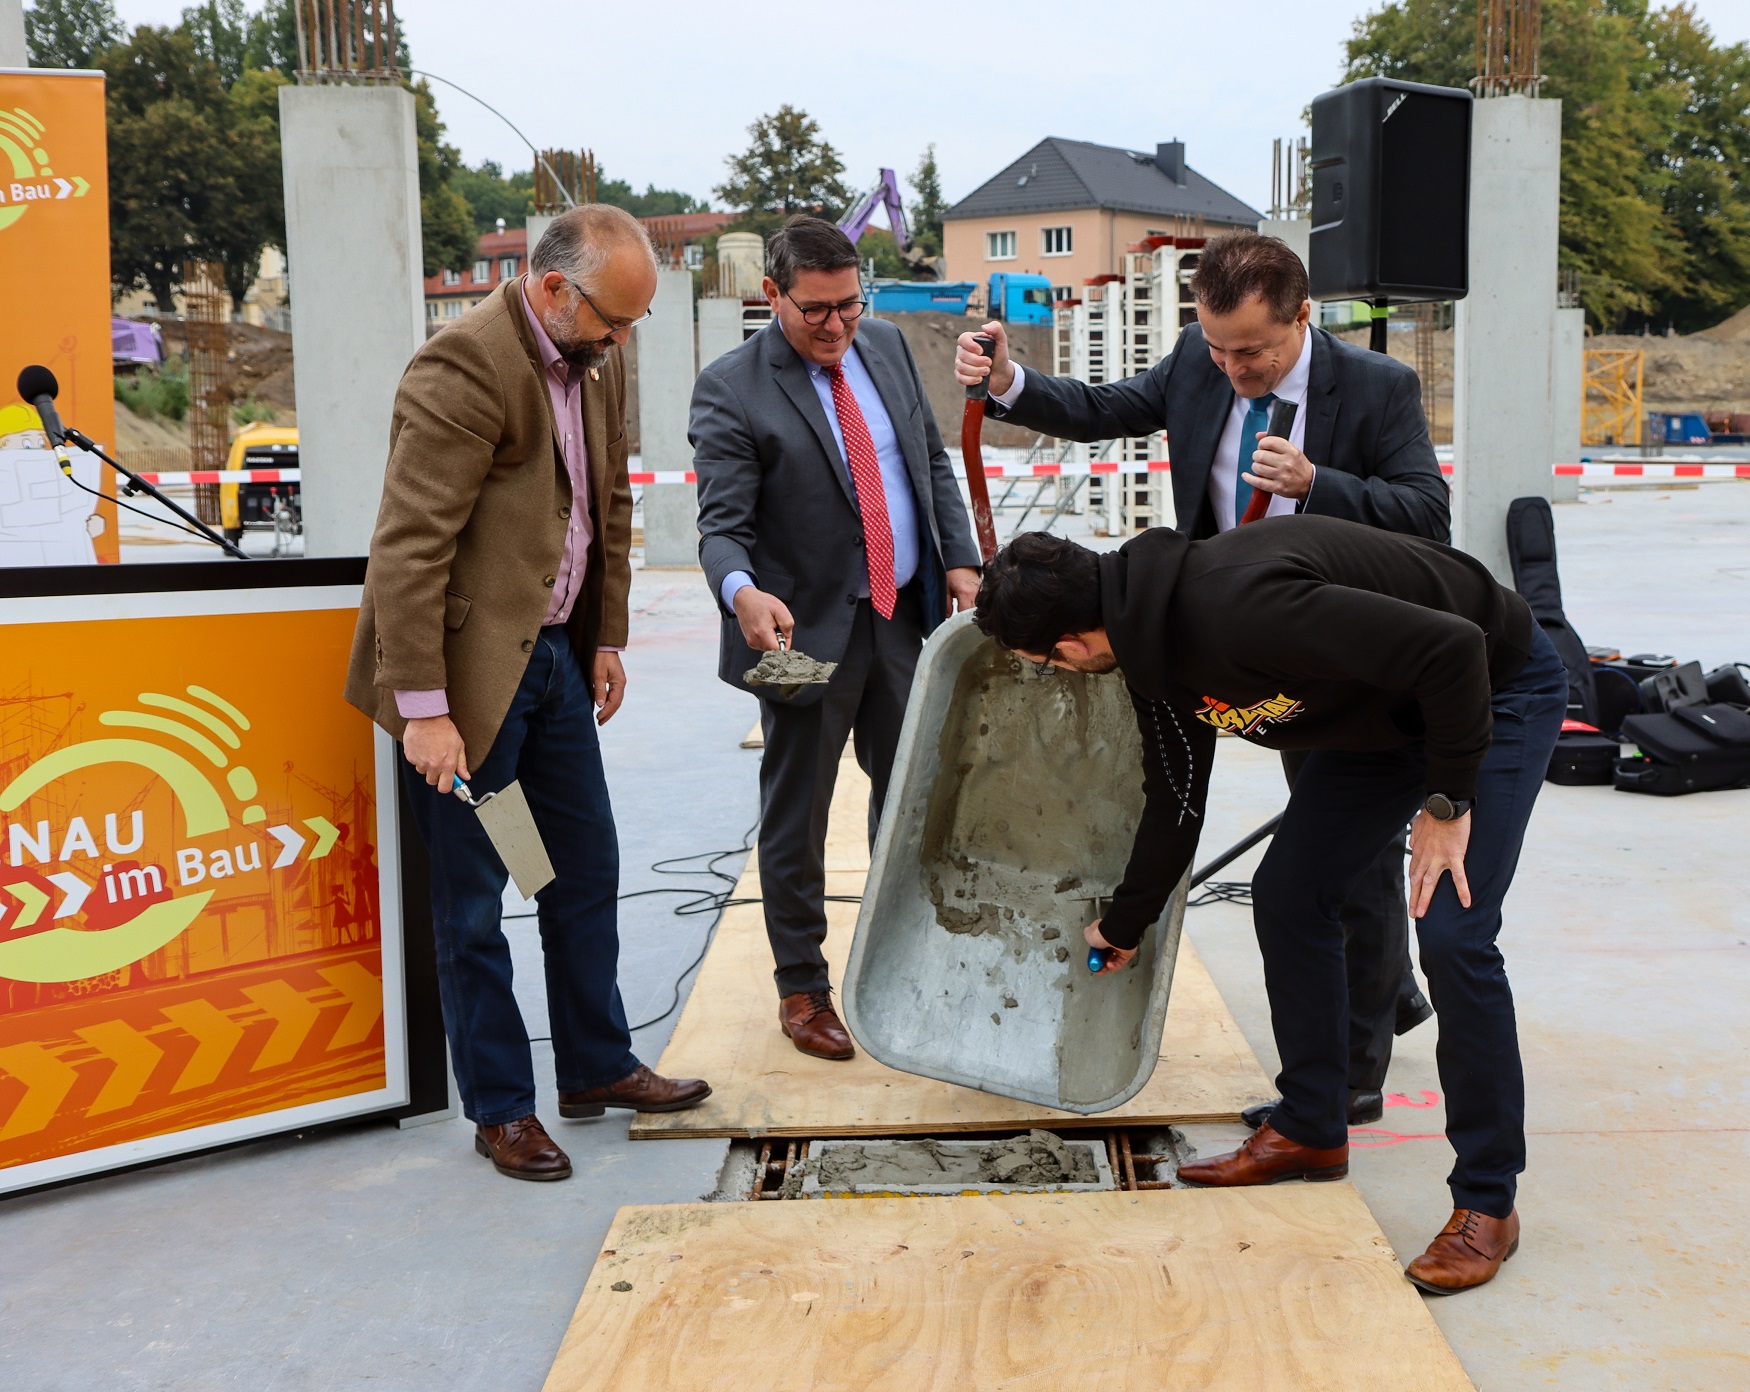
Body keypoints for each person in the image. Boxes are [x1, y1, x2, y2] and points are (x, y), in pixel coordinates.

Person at [971, 520, 1566, 1295]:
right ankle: (1311, 1127)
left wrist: (1448, 803)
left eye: (1047, 662)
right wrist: (1125, 922)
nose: (1064, 673)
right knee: (1289, 893)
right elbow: (1176, 798)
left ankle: (1489, 1201)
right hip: (1389, 719)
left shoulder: (1236, 606)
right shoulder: (1149, 653)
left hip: (1492, 686)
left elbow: (1451, 647)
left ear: (1074, 642)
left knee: (1452, 933)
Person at [954, 231, 1443, 1129]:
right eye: (1217, 348)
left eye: (1252, 351)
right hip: (1210, 633)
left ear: (1303, 317)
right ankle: (1381, 995)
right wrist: (1008, 386)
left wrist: (1318, 482)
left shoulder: (1377, 389)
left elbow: (1427, 514)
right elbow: (1107, 406)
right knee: (1221, 807)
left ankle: (1359, 1065)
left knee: (1350, 854)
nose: (1232, 367)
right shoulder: (1196, 359)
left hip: (1333, 653)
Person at [345, 204, 711, 1184]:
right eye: (613, 321)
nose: (623, 343)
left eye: (633, 326)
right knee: (475, 899)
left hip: (551, 666)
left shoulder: (593, 356)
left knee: (575, 871)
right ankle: (503, 1106)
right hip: (470, 691)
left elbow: (610, 502)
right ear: (555, 289)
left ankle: (594, 1066)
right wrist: (424, 711)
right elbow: (411, 547)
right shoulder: (463, 369)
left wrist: (606, 638)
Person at [692, 215, 983, 1061]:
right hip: (796, 633)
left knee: (913, 807)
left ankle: (902, 968)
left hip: (901, 618)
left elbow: (928, 461)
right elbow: (721, 527)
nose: (835, 326)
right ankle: (803, 990)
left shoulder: (885, 344)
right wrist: (741, 593)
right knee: (797, 814)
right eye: (814, 310)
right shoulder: (732, 388)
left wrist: (959, 561)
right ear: (772, 295)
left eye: (848, 306)